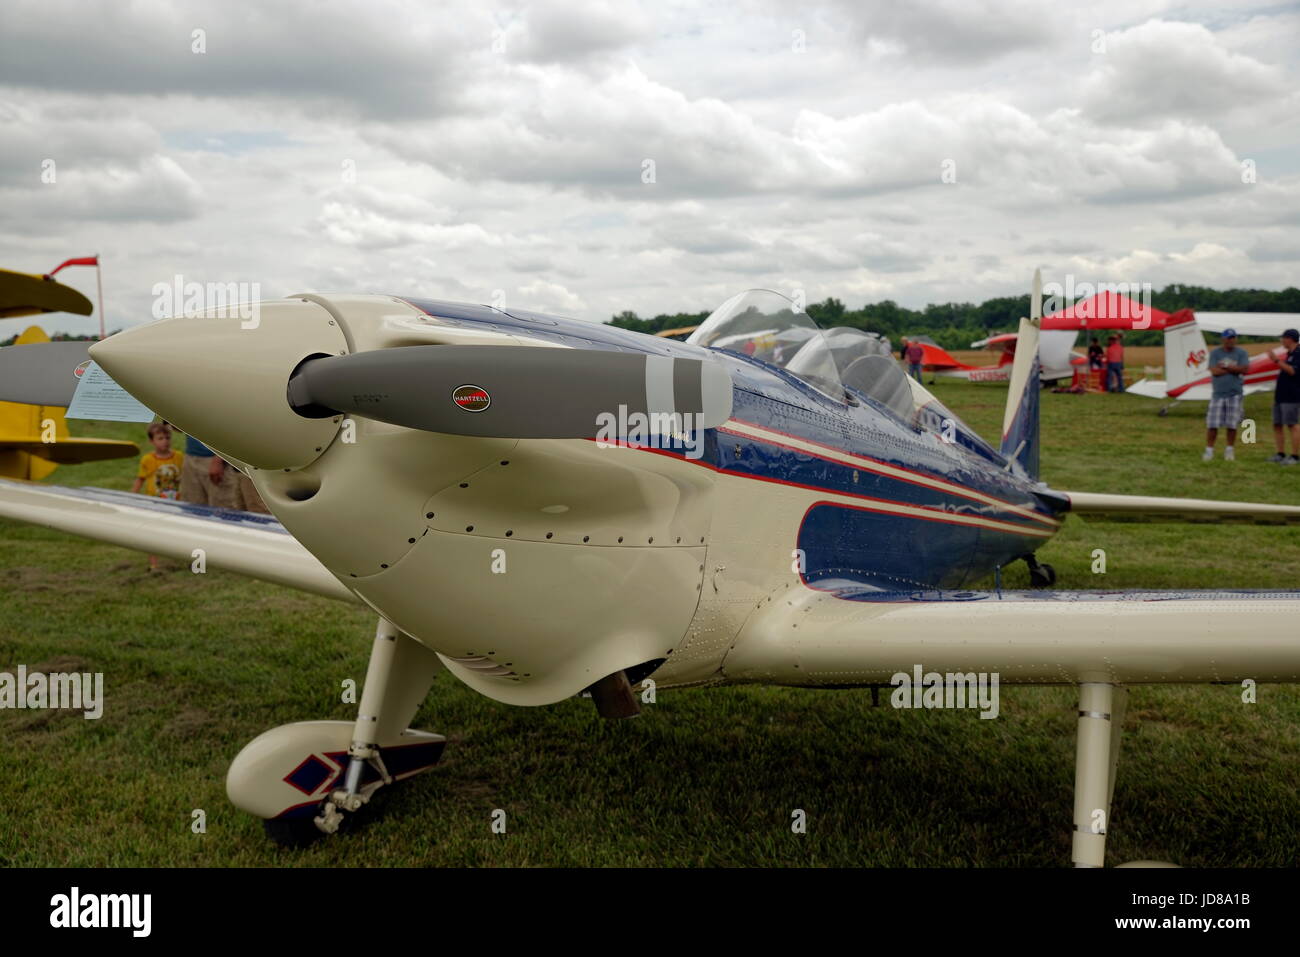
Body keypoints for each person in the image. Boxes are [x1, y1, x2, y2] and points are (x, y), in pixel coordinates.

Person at [131, 422, 184, 571]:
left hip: (175, 504)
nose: (165, 441)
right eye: (160, 438)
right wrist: (131, 497)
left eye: (167, 437)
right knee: (153, 532)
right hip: (154, 504)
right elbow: (140, 479)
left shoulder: (179, 457)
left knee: (175, 532)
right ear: (152, 441)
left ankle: (177, 560)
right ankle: (154, 564)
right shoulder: (148, 460)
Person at [1203, 329, 1250, 461]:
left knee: (1232, 424)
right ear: (1223, 339)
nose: (1231, 340)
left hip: (1235, 393)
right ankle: (1209, 450)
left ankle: (1229, 450)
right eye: (1228, 338)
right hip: (1218, 394)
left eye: (1233, 338)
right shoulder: (1215, 353)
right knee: (1212, 424)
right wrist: (1234, 369)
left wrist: (1225, 366)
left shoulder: (1241, 353)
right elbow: (1214, 371)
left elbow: (1245, 369)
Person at [179, 433, 240, 509]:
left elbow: (234, 429)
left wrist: (219, 459)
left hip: (215, 460)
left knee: (222, 512)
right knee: (191, 511)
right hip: (190, 457)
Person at [1269, 328, 1300, 465]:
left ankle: (1294, 456)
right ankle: (1280, 453)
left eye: (1283, 338)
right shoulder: (1290, 354)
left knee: (1292, 424)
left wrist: (1276, 361)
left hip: (1291, 395)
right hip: (1281, 395)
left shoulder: (1298, 354)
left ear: (1290, 339)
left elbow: (1293, 371)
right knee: (1277, 424)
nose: (1282, 340)